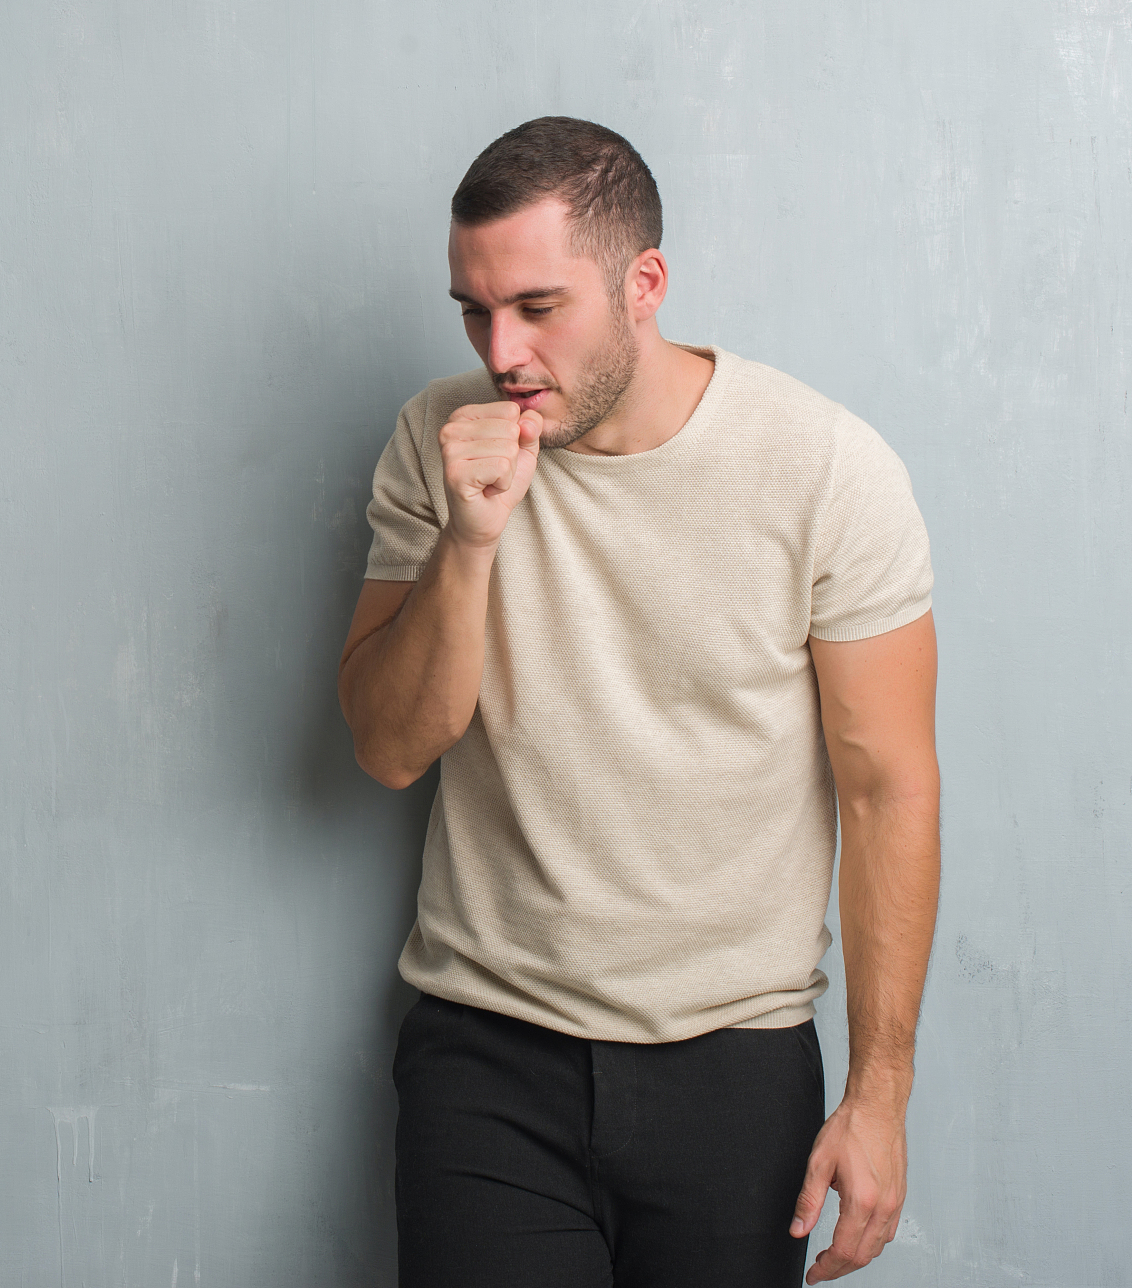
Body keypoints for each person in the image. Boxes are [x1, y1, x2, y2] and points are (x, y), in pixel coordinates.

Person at [336, 117, 940, 1287]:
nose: (500, 349)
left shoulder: (823, 467)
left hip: (736, 1064)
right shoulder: (438, 439)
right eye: (472, 308)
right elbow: (388, 747)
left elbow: (885, 791)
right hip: (486, 1051)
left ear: (642, 283)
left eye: (536, 306)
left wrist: (879, 1096)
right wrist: (469, 542)